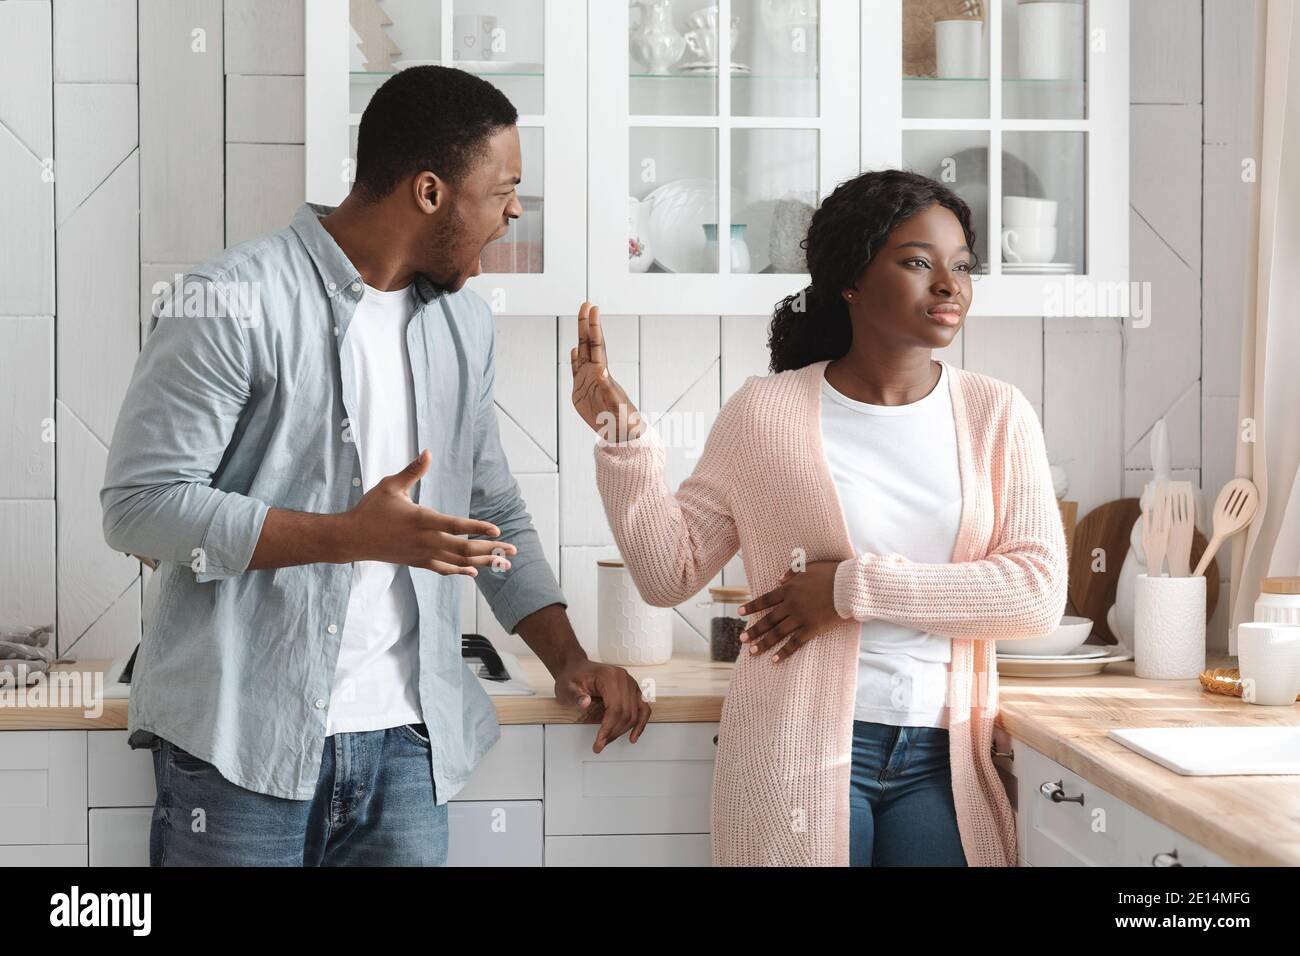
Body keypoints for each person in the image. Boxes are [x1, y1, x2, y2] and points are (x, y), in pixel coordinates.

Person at [101, 65, 650, 867]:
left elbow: (490, 503)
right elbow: (141, 508)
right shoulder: (231, 300)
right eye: (503, 189)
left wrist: (571, 658)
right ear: (430, 192)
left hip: (406, 749)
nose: (513, 210)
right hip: (241, 748)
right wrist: (350, 535)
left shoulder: (462, 323)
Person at [572, 168, 1068, 866]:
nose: (949, 285)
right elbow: (669, 571)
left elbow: (1036, 593)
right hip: (796, 747)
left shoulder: (997, 414)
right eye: (918, 262)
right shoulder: (767, 412)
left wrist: (847, 590)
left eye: (961, 266)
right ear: (852, 278)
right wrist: (620, 433)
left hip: (944, 753)